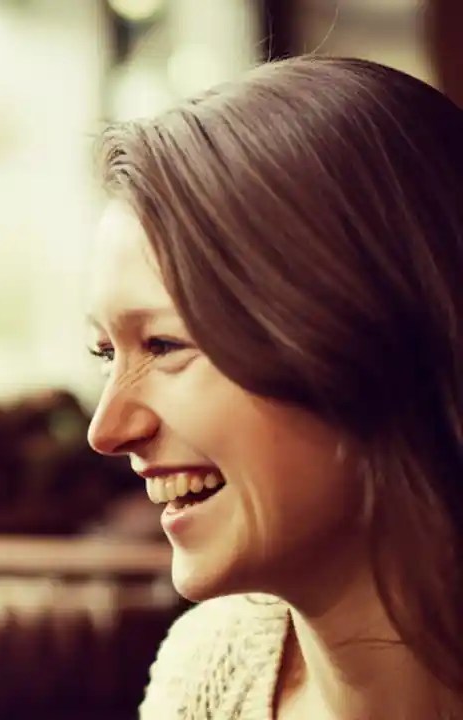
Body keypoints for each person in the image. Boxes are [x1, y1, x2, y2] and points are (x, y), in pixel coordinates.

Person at [85, 55, 463, 719]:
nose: (106, 429)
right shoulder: (209, 672)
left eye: (165, 345)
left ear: (374, 332)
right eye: (105, 353)